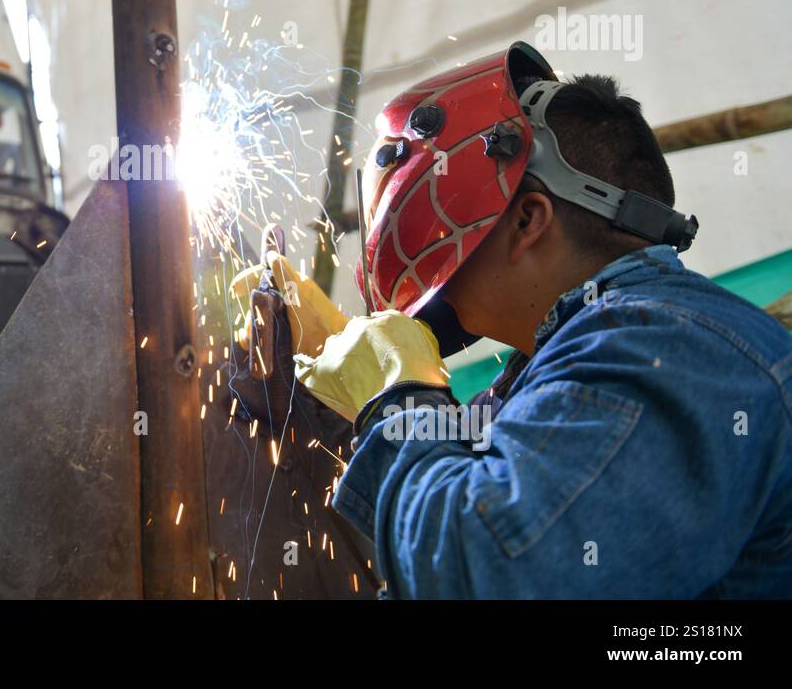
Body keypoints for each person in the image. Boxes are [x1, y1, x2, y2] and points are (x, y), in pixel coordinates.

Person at [246, 41, 792, 597]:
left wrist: (398, 393)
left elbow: (489, 569)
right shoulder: (567, 366)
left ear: (529, 218)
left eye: (445, 266)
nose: (441, 292)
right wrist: (336, 386)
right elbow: (447, 493)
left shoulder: (666, 347)